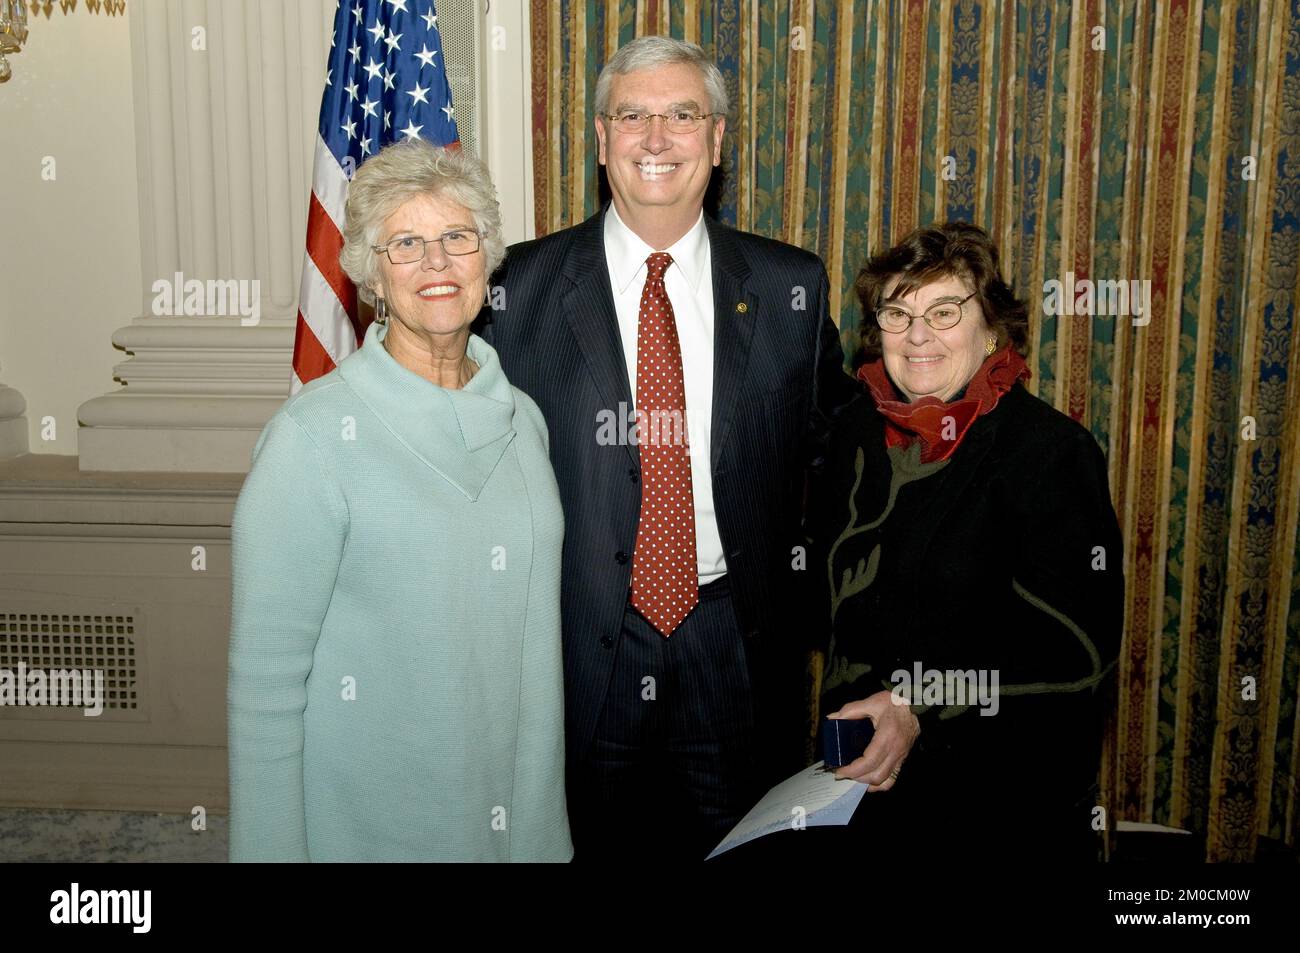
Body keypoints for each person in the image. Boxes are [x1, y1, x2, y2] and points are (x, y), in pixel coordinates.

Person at [480, 36, 856, 861]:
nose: (656, 139)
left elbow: (840, 461)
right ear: (602, 137)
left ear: (717, 141)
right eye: (633, 116)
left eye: (682, 115)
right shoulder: (515, 291)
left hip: (736, 644)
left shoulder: (791, 286)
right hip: (577, 649)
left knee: (739, 851)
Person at [227, 140, 571, 862]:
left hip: (519, 820)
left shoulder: (526, 421)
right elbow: (265, 688)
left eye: (457, 237)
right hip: (371, 830)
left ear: (488, 258)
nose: (437, 263)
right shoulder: (311, 439)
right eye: (406, 243)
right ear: (371, 276)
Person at [805, 222, 1123, 861]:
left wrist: (917, 701)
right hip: (862, 793)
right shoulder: (858, 436)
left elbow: (1076, 652)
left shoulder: (1050, 455)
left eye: (945, 312)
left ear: (993, 331)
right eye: (898, 313)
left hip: (996, 807)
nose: (918, 335)